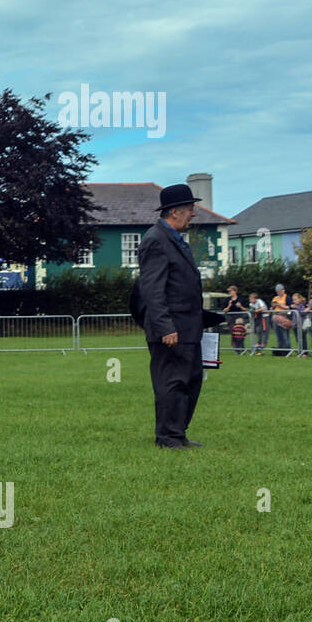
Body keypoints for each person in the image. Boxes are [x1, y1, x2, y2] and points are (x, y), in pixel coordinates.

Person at [128, 183, 223, 448]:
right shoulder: (156, 241)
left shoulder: (174, 240)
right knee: (172, 382)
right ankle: (168, 437)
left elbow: (179, 289)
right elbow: (152, 290)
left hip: (188, 327)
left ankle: (178, 432)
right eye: (191, 209)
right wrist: (165, 327)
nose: (194, 214)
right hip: (172, 330)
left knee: (191, 381)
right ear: (176, 211)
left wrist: (205, 317)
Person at [223, 286, 248, 355]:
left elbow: (246, 309)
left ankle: (242, 348)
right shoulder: (227, 300)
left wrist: (240, 306)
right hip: (230, 318)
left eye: (231, 291)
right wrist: (229, 305)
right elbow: (224, 310)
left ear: (235, 291)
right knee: (233, 334)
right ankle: (236, 349)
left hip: (239, 319)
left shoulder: (241, 299)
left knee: (240, 334)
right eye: (229, 291)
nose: (230, 292)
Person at [270, 283, 292, 356]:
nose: (278, 293)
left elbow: (289, 307)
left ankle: (288, 350)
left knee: (285, 334)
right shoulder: (275, 298)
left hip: (284, 317)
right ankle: (281, 350)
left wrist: (279, 305)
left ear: (283, 290)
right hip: (276, 318)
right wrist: (273, 307)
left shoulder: (287, 297)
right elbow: (272, 307)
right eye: (277, 291)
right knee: (278, 335)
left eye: (280, 291)